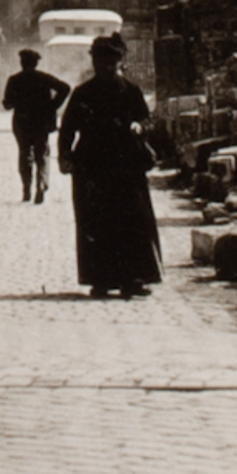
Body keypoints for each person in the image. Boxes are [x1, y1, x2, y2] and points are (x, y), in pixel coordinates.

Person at [56, 34, 163, 298]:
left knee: (133, 221)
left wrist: (140, 126)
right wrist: (64, 156)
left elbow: (148, 121)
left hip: (127, 166)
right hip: (92, 168)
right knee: (96, 223)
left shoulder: (131, 91)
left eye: (111, 63)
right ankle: (100, 280)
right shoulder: (83, 93)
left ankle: (134, 279)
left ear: (119, 63)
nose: (106, 67)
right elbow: (67, 129)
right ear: (93, 62)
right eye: (100, 62)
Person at [0, 47, 72, 203]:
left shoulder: (14, 80)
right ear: (36, 63)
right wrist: (53, 105)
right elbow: (65, 88)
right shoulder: (44, 78)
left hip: (22, 121)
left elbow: (7, 104)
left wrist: (14, 102)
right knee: (42, 154)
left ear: (22, 63)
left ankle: (26, 188)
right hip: (41, 122)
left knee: (25, 153)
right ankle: (41, 184)